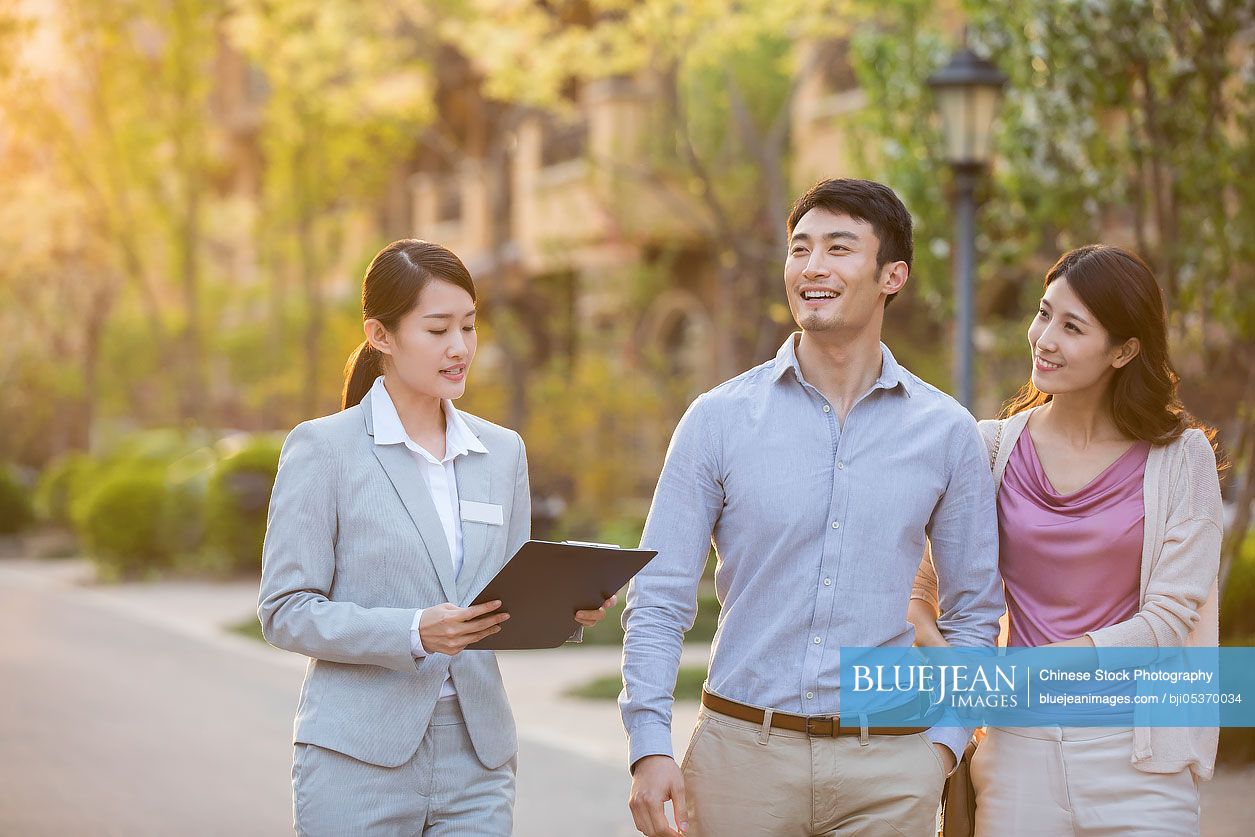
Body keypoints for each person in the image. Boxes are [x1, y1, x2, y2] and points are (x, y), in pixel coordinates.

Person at [621, 178, 1004, 837]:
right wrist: (649, 742)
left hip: (889, 768)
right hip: (742, 758)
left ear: (892, 275)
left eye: (838, 248)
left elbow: (974, 611)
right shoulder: (716, 421)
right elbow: (657, 599)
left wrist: (939, 744)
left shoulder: (945, 431)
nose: (812, 267)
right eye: (799, 250)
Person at [258, 239, 615, 836]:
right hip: (357, 759)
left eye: (470, 327)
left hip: (477, 761)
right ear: (381, 335)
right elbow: (284, 611)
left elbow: (505, 598)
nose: (461, 348)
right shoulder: (324, 450)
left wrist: (566, 611)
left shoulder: (502, 453)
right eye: (438, 328)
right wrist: (412, 631)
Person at [909, 244, 1222, 836]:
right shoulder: (990, 449)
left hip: (1139, 761)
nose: (1044, 338)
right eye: (1044, 313)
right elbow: (921, 584)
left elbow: (1167, 620)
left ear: (1125, 351)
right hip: (1016, 754)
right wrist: (946, 655)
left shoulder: (1183, 460)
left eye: (1072, 326)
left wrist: (1032, 667)